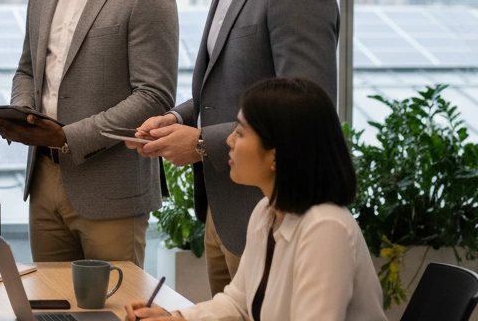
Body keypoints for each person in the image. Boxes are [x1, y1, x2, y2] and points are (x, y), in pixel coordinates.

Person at [131, 0, 339, 294]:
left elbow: (308, 110)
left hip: (271, 212)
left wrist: (202, 142)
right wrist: (176, 120)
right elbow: (231, 88)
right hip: (225, 213)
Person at [0, 0, 179, 267]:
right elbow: (27, 68)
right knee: (47, 309)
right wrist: (23, 115)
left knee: (112, 310)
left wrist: (65, 137)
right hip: (43, 182)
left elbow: (154, 96)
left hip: (110, 190)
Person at [126, 78, 384, 321]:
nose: (228, 140)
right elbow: (238, 303)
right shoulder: (267, 211)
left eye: (240, 132)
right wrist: (177, 317)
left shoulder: (326, 228)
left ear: (276, 154)